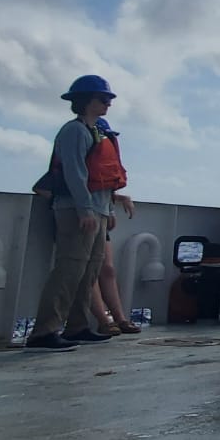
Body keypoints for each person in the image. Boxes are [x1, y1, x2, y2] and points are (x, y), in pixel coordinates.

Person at [24, 74, 126, 351]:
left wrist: (106, 209)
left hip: (97, 211)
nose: (108, 104)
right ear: (85, 101)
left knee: (88, 271)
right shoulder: (74, 131)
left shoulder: (95, 132)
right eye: (103, 99)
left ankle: (77, 326)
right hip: (77, 211)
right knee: (69, 269)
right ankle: (43, 331)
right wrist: (85, 209)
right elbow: (74, 172)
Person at [91, 117, 140, 334]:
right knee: (88, 272)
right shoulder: (77, 157)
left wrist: (116, 200)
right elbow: (44, 187)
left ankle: (120, 318)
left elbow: (102, 188)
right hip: (84, 218)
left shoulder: (99, 165)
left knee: (107, 269)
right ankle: (103, 320)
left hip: (101, 216)